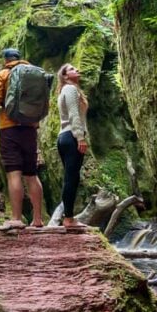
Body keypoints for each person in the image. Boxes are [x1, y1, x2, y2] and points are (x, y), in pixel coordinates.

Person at [0, 48, 45, 230]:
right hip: (29, 128)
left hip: (9, 128)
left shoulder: (3, 74)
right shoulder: (36, 73)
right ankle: (38, 219)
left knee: (14, 173)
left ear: (6, 60)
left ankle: (17, 218)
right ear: (20, 59)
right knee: (32, 174)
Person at [56, 63, 89, 228]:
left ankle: (69, 217)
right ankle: (68, 219)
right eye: (72, 69)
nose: (77, 70)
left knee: (72, 177)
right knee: (71, 178)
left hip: (66, 136)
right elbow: (74, 115)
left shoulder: (68, 90)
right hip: (71, 136)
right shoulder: (69, 89)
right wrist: (80, 137)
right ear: (65, 76)